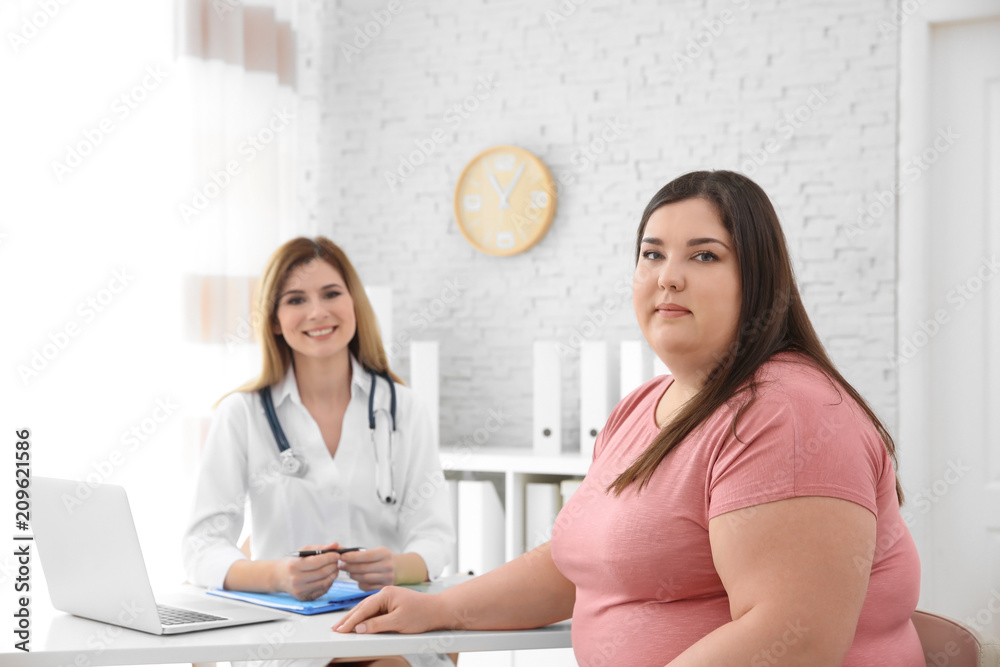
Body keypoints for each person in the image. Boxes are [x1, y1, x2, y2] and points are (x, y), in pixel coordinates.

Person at [334, 171, 923, 666]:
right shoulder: (643, 406)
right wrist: (439, 608)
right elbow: (576, 567)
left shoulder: (788, 411)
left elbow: (793, 640)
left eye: (704, 254)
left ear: (759, 279)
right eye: (652, 253)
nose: (668, 274)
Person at [182, 237, 455, 667]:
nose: (317, 312)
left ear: (354, 303)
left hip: (383, 626)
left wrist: (396, 567)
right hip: (280, 637)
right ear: (274, 320)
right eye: (295, 299)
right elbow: (201, 547)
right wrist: (276, 575)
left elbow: (435, 537)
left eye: (331, 293)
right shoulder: (242, 414)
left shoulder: (403, 408)